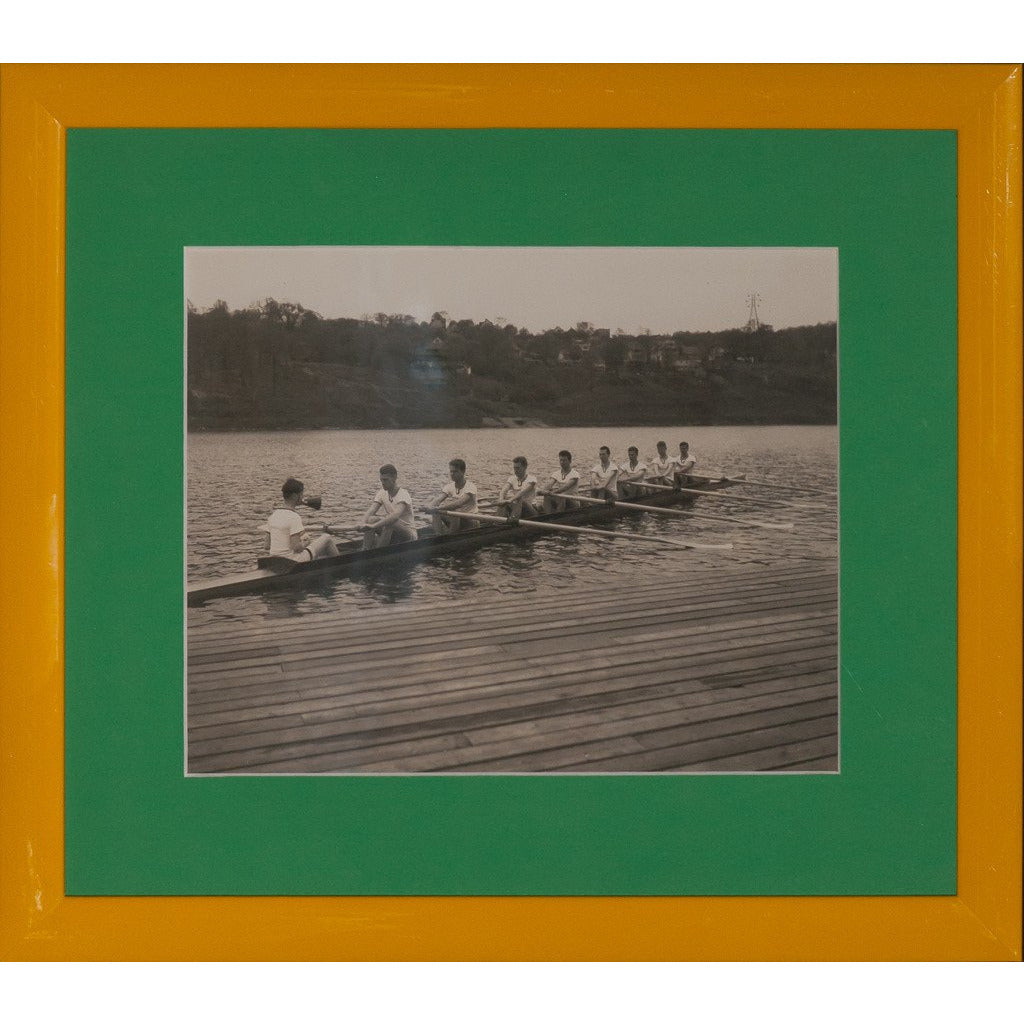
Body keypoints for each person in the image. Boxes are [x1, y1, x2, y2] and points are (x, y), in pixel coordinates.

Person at [260, 477, 339, 563]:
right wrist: (306, 542)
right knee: (326, 538)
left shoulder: (273, 515)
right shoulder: (294, 517)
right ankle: (340, 568)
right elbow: (297, 548)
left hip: (274, 561)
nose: (302, 498)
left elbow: (267, 546)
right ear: (295, 496)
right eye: (301, 495)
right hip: (293, 562)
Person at [360, 464, 418, 549]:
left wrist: (373, 526)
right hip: (393, 533)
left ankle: (378, 554)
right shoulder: (382, 493)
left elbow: (395, 516)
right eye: (381, 480)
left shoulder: (403, 494)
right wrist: (363, 523)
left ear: (394, 478)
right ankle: (365, 550)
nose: (382, 483)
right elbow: (372, 510)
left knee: (390, 523)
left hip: (408, 535)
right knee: (371, 519)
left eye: (385, 480)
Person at [431, 458, 479, 534]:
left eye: (455, 472)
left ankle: (451, 537)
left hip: (471, 520)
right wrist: (431, 506)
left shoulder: (471, 487)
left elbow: (458, 504)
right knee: (436, 513)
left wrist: (439, 508)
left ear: (463, 472)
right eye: (451, 471)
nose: (452, 474)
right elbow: (438, 500)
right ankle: (438, 536)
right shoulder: (449, 486)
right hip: (457, 519)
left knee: (454, 513)